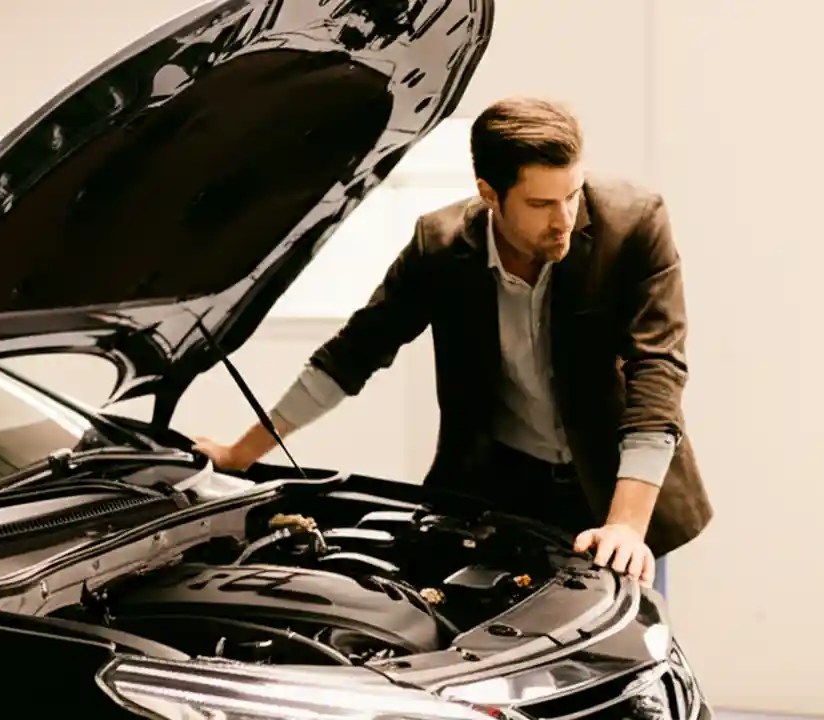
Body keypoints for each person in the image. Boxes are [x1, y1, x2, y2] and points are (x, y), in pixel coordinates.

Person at [193, 97, 712, 590]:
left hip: (620, 488)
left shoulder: (636, 224)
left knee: (623, 649)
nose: (565, 220)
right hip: (500, 491)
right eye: (541, 203)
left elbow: (657, 368)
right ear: (489, 194)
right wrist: (243, 451)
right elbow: (354, 352)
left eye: (573, 195)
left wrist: (624, 524)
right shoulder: (437, 248)